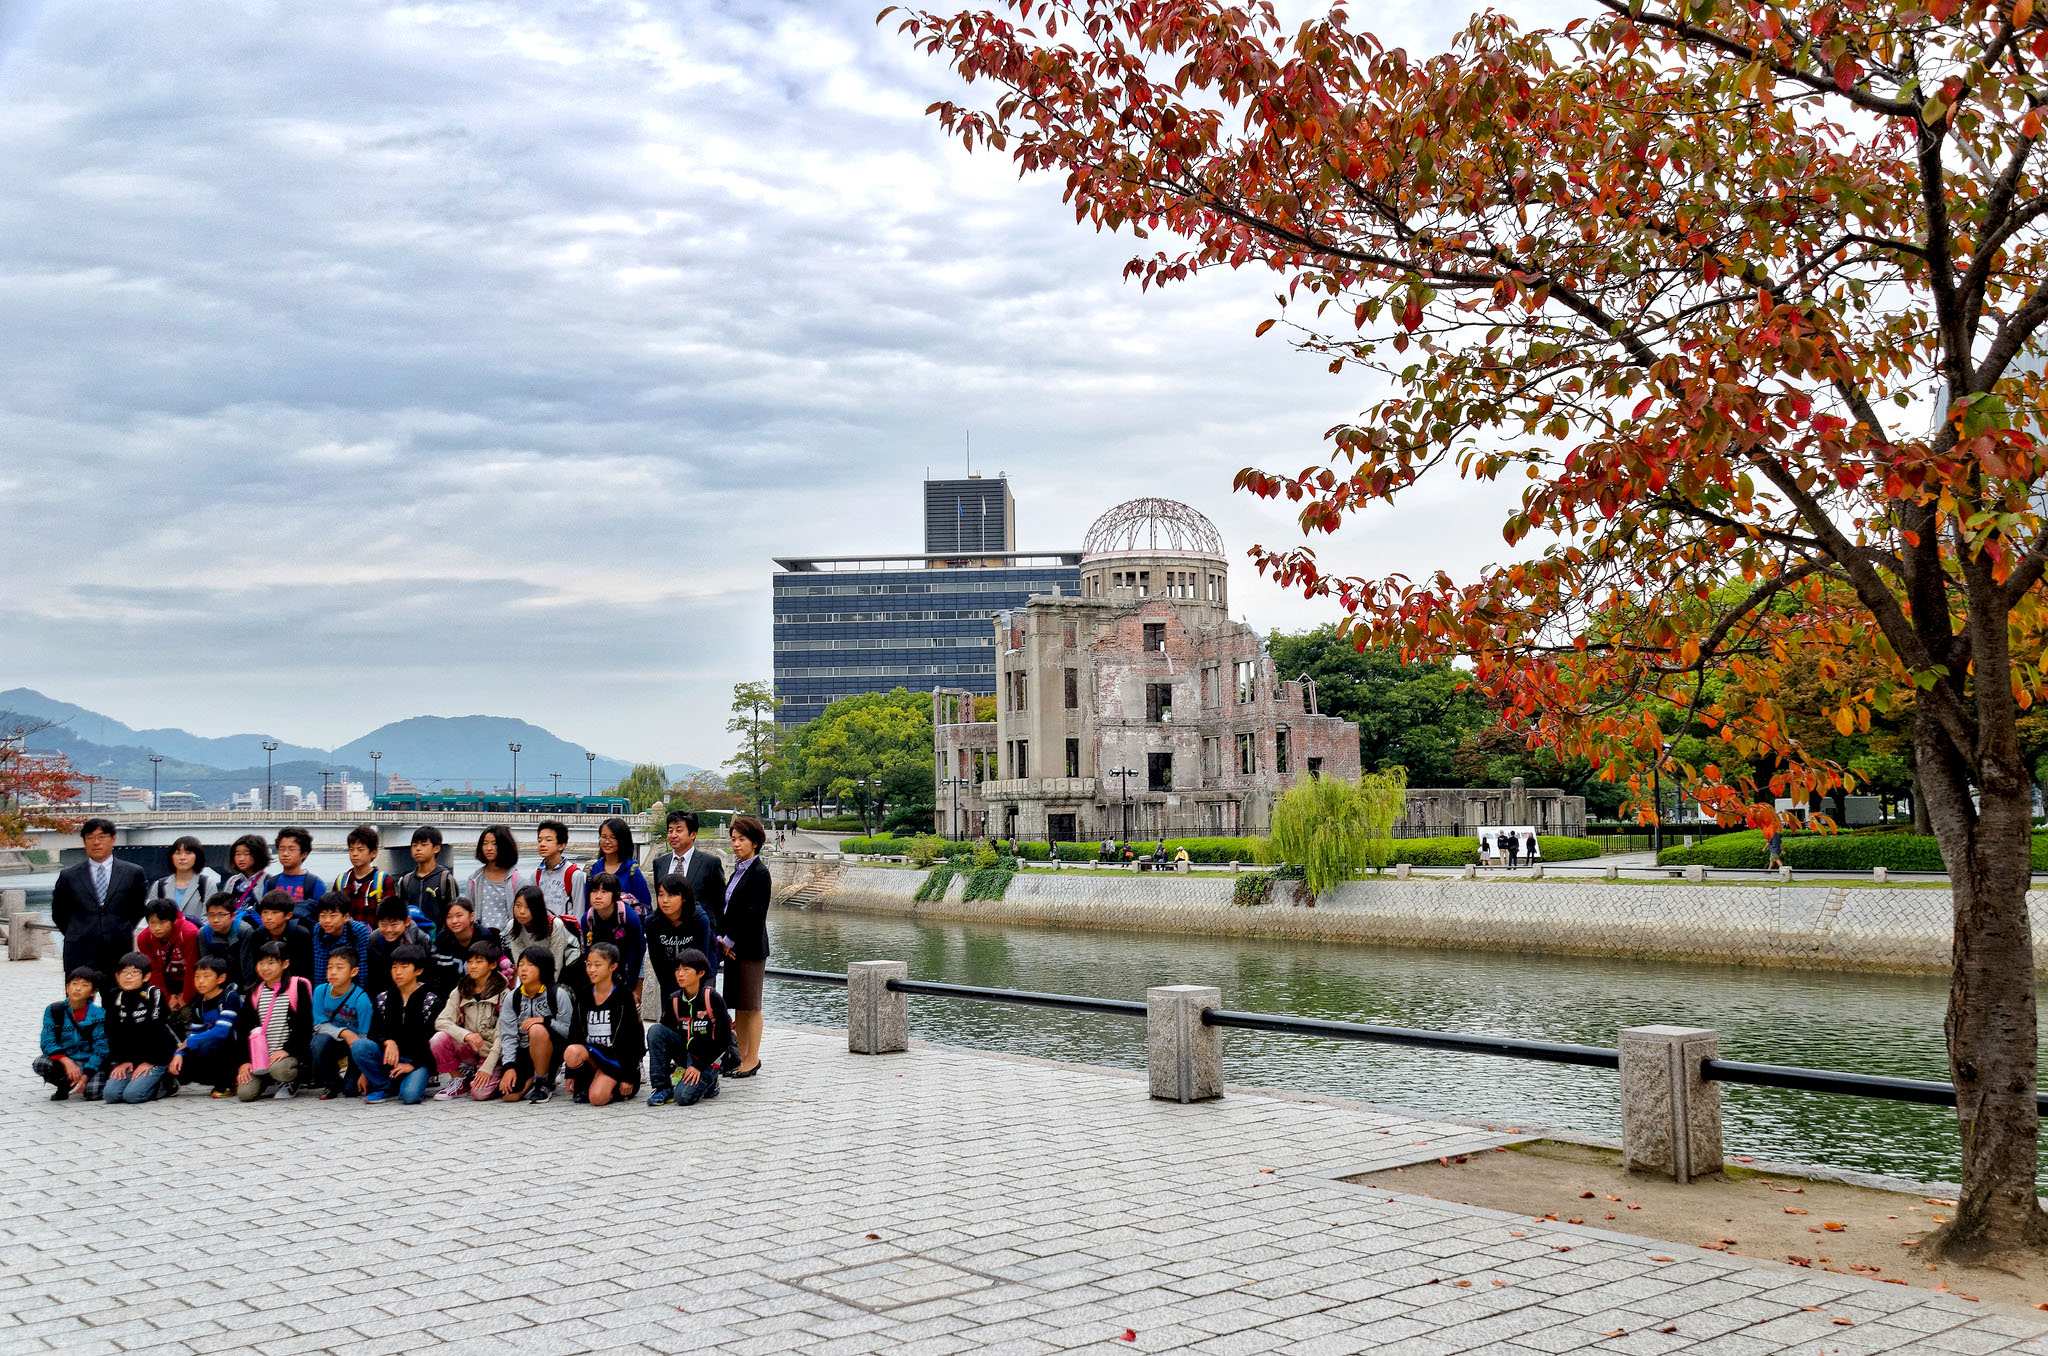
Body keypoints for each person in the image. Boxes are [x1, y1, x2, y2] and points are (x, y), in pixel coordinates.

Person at [50, 817, 147, 983]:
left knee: (116, 1002)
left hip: (118, 950)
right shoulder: (69, 876)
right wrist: (78, 931)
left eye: (102, 837)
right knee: (79, 1003)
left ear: (113, 839)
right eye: (90, 838)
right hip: (79, 951)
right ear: (84, 842)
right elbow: (59, 913)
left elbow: (137, 909)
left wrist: (120, 928)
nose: (96, 842)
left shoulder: (133, 873)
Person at [646, 949, 731, 1107]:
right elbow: (665, 1036)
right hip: (685, 1055)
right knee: (656, 1030)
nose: (680, 974)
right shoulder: (675, 1000)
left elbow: (724, 1040)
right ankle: (661, 1087)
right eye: (678, 969)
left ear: (700, 973)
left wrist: (699, 1065)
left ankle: (711, 1082)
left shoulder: (711, 998)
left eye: (686, 969)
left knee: (683, 1097)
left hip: (707, 1059)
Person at [722, 815, 772, 1079]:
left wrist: (731, 941)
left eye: (741, 839)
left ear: (754, 842)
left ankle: (752, 1058)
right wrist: (723, 939)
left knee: (751, 1005)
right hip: (732, 948)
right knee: (739, 1005)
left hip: (750, 948)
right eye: (733, 839)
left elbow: (754, 915)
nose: (736, 844)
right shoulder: (738, 871)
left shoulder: (760, 873)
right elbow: (728, 910)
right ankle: (741, 1055)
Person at [563, 943, 642, 1105]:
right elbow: (575, 1033)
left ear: (613, 967)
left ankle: (611, 1085)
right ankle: (586, 1081)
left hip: (616, 1061)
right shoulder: (584, 994)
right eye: (589, 964)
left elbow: (635, 1038)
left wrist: (628, 1076)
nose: (591, 970)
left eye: (598, 965)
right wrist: (570, 1073)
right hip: (592, 1056)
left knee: (597, 1099)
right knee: (572, 1051)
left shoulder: (623, 996)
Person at [359, 944, 435, 1104]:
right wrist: (388, 1041)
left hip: (419, 1059)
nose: (398, 972)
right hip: (389, 1057)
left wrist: (413, 1065)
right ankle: (383, 1086)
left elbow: (432, 1039)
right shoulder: (383, 998)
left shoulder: (430, 1000)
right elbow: (374, 1031)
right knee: (360, 1046)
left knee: (410, 1096)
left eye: (404, 967)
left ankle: (411, 1079)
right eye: (394, 967)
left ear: (418, 971)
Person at [236, 939, 310, 1101]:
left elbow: (305, 1025)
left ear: (285, 964)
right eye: (261, 963)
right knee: (245, 1094)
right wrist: (244, 1062)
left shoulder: (298, 986)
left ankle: (290, 1081)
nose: (265, 968)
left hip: (286, 1055)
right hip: (260, 1058)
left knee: (280, 1069)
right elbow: (243, 1029)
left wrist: (288, 1050)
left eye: (271, 963)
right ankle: (267, 1082)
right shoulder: (255, 992)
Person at [431, 942, 508, 1100]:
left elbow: (504, 1035)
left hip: (493, 1053)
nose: (472, 966)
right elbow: (441, 1021)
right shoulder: (460, 990)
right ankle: (459, 1079)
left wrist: (488, 1067)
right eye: (470, 962)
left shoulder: (504, 994)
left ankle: (497, 1074)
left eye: (479, 962)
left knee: (480, 1094)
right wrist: (466, 1035)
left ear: (492, 965)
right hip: (470, 1047)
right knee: (438, 1039)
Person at [496, 946, 571, 1103]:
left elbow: (569, 1031)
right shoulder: (512, 997)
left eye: (530, 965)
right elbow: (508, 1035)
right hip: (524, 1053)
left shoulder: (558, 993)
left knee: (536, 1029)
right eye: (521, 964)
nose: (523, 969)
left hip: (552, 1051)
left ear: (543, 968)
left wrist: (546, 1021)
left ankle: (543, 1082)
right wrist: (509, 1066)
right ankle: (531, 1078)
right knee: (509, 1096)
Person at [102, 952, 177, 1104]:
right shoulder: (115, 996)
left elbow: (158, 1031)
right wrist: (122, 1061)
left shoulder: (153, 994)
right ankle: (139, 1079)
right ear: (117, 976)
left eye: (134, 972)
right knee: (111, 1095)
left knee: (133, 1095)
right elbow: (112, 1032)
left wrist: (150, 1061)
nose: (128, 977)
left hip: (157, 1057)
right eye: (124, 972)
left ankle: (168, 1084)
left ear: (146, 976)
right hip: (130, 1058)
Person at [643, 873, 718, 1027]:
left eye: (671, 895)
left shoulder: (699, 919)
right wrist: (670, 986)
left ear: (683, 897)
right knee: (671, 1022)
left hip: (701, 976)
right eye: (661, 895)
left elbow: (702, 957)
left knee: (699, 1023)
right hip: (669, 978)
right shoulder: (653, 923)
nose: (665, 901)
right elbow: (657, 960)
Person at [169, 955, 243, 1099]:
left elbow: (222, 1031)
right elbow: (194, 1033)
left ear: (220, 978)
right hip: (212, 1048)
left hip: (235, 1049)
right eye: (197, 977)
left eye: (206, 976)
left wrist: (192, 1041)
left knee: (219, 1042)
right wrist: (179, 1053)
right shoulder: (198, 1002)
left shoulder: (229, 997)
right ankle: (219, 1079)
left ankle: (228, 1082)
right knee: (181, 1067)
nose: (200, 981)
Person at [34, 967, 108, 1101]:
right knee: (41, 1063)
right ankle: (65, 1084)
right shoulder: (54, 1010)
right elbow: (47, 1041)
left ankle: (84, 1081)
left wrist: (86, 1074)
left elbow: (101, 1048)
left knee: (93, 1093)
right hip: (66, 1060)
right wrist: (66, 1061)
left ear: (92, 992)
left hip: (90, 1062)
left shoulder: (100, 1014)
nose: (78, 988)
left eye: (84, 985)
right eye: (74, 984)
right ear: (67, 988)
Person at [310, 950, 373, 1100]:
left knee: (350, 1091)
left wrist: (365, 1073)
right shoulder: (321, 991)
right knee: (318, 1041)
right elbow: (319, 1025)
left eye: (339, 968)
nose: (333, 972)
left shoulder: (361, 999)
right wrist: (344, 1032)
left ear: (354, 971)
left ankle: (350, 1079)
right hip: (333, 1041)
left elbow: (365, 1036)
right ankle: (331, 1083)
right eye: (329, 967)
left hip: (355, 1047)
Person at [652, 810, 727, 932]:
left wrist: (717, 934)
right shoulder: (659, 863)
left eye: (679, 830)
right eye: (670, 831)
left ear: (692, 834)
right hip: (667, 934)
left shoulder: (710, 863)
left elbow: (719, 904)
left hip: (700, 933)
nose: (673, 835)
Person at [578, 873, 644, 1003]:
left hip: (629, 955)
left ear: (615, 895)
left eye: (604, 892)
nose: (598, 896)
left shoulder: (629, 918)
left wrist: (630, 987)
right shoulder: (587, 919)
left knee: (630, 1001)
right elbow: (587, 952)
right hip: (601, 958)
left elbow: (636, 954)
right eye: (594, 891)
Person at [136, 899, 201, 1026]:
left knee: (189, 1016)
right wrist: (167, 997)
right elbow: (154, 971)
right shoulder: (144, 939)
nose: (157, 928)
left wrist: (185, 998)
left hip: (191, 981)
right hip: (167, 982)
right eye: (152, 923)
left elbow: (192, 968)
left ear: (173, 920)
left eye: (162, 922)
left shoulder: (188, 933)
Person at [505, 884, 580, 986]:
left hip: (567, 963)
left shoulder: (554, 925)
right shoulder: (512, 926)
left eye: (528, 907)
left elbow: (556, 961)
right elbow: (520, 961)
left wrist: (547, 989)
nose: (521, 912)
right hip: (535, 963)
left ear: (538, 909)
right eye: (518, 906)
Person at [430, 897, 504, 998]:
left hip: (485, 992)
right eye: (449, 917)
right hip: (451, 994)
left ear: (472, 916)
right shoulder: (442, 940)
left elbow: (494, 972)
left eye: (459, 916)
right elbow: (439, 975)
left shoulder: (486, 937)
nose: (454, 921)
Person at [238, 892, 314, 992]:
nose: (268, 917)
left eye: (274, 913)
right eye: (265, 912)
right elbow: (255, 966)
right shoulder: (258, 935)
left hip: (295, 987)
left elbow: (306, 970)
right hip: (266, 986)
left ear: (288, 915)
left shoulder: (300, 934)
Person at [365, 897, 434, 997]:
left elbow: (427, 974)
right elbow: (373, 976)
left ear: (407, 921)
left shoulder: (420, 939)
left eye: (394, 925)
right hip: (384, 993)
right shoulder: (374, 940)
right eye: (383, 924)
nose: (388, 930)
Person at [395, 826, 459, 931]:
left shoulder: (445, 879)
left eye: (424, 845)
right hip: (411, 940)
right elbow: (400, 913)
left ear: (436, 848)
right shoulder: (406, 880)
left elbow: (454, 912)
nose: (418, 849)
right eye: (414, 845)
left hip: (438, 940)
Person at [146, 836, 220, 923]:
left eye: (188, 853)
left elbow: (209, 919)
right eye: (178, 853)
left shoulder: (207, 884)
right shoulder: (159, 886)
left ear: (197, 856)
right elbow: (151, 918)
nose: (182, 857)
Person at [465, 824, 522, 935]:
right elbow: (468, 911)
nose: (489, 848)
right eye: (485, 843)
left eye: (494, 844)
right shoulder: (474, 880)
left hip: (509, 941)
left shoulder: (517, 881)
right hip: (481, 941)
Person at [332, 825, 393, 924]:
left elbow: (391, 916)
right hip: (347, 938)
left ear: (373, 853)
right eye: (351, 849)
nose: (354, 854)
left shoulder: (383, 881)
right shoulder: (342, 881)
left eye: (360, 850)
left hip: (373, 938)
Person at [591, 816, 650, 912]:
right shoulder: (595, 869)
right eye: (604, 837)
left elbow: (645, 905)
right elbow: (587, 904)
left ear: (623, 841)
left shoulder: (632, 870)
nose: (607, 842)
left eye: (613, 837)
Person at [269, 827, 326, 927]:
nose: (285, 854)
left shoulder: (314, 883)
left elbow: (323, 917)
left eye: (291, 849)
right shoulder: (271, 882)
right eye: (282, 849)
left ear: (304, 854)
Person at [310, 897, 373, 985]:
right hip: (332, 975)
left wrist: (358, 994)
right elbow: (320, 965)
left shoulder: (358, 931)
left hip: (352, 977)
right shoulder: (319, 929)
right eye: (322, 916)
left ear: (346, 917)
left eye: (333, 916)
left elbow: (362, 967)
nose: (327, 921)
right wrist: (321, 993)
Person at [531, 819, 584, 918]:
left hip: (566, 931)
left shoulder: (574, 875)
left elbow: (579, 910)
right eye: (539, 840)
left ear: (561, 845)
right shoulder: (536, 875)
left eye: (548, 840)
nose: (542, 844)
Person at [221, 834, 272, 919]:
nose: (241, 858)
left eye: (246, 854)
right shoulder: (232, 881)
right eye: (237, 854)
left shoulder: (267, 881)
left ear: (258, 855)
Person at [194, 892, 251, 967]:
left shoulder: (244, 931)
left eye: (221, 915)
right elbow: (206, 965)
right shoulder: (204, 933)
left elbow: (247, 966)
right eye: (211, 915)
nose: (215, 920)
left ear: (232, 916)